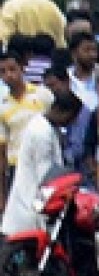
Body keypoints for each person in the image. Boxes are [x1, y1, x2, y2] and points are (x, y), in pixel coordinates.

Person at [1, 89, 81, 237]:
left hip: (34, 202)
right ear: (61, 111)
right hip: (31, 204)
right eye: (71, 118)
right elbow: (45, 176)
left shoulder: (46, 127)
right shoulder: (41, 132)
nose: (71, 122)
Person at [1, 49, 55, 192]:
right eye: (3, 72)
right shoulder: (2, 106)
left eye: (12, 69)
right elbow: (2, 149)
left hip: (43, 162)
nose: (8, 75)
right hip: (17, 167)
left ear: (22, 69)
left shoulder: (42, 94)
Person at [41, 66, 97, 189]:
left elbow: (78, 148)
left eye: (53, 85)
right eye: (46, 87)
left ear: (66, 82)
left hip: (80, 175)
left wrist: (57, 157)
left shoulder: (81, 112)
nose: (50, 91)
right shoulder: (49, 112)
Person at [66, 32, 99, 112]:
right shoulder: (65, 77)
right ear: (73, 53)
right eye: (87, 50)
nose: (93, 55)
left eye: (94, 50)